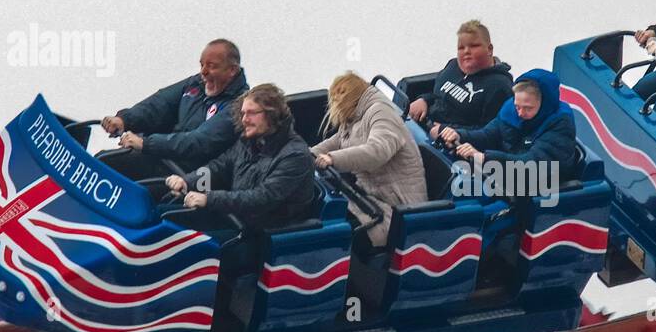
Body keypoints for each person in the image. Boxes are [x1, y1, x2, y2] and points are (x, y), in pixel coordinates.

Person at [164, 83, 315, 231]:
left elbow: (262, 198)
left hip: (267, 231)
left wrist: (209, 199)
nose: (244, 120)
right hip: (238, 219)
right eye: (243, 114)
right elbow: (218, 167)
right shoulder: (248, 143)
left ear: (272, 114)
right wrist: (187, 181)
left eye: (251, 113)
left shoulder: (295, 155)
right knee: (164, 215)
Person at [313, 72, 428, 246]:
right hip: (369, 197)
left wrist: (332, 159)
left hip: (398, 207)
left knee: (336, 235)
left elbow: (377, 152)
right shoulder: (353, 116)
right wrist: (302, 157)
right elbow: (335, 142)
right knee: (326, 216)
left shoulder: (381, 112)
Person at [103, 39, 250, 172]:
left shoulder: (240, 106)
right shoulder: (195, 83)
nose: (203, 72)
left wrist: (146, 144)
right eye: (202, 64)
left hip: (194, 176)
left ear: (232, 70)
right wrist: (124, 120)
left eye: (211, 66)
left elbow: (200, 142)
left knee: (112, 162)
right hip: (164, 158)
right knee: (104, 158)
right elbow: (159, 104)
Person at [441, 70, 582, 186]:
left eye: (528, 108)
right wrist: (460, 136)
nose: (520, 113)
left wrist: (486, 158)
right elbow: (489, 134)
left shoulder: (560, 123)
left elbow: (533, 165)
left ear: (545, 102)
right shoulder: (511, 109)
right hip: (507, 176)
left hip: (540, 186)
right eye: (517, 106)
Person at [409, 20, 515, 132]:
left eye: (474, 46)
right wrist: (424, 100)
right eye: (461, 47)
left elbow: (491, 133)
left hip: (449, 143)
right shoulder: (452, 65)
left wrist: (449, 131)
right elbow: (436, 95)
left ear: (489, 49)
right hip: (420, 125)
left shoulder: (500, 86)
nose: (466, 51)